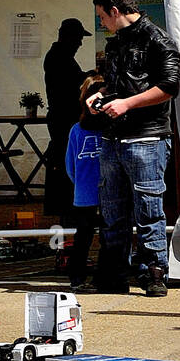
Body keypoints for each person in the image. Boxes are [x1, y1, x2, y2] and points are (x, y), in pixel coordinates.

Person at [84, 0, 180, 296]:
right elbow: (117, 84)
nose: (101, 23)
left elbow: (169, 86)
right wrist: (101, 93)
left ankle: (154, 274)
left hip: (147, 137)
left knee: (148, 207)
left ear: (115, 11)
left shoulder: (157, 38)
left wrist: (126, 103)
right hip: (115, 137)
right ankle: (114, 275)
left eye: (102, 17)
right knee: (112, 209)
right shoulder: (115, 44)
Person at [43, 18, 91, 222]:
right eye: (79, 38)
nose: (80, 43)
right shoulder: (59, 57)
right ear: (69, 37)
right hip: (63, 120)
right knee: (65, 163)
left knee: (66, 161)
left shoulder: (61, 56)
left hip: (63, 119)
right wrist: (88, 78)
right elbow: (70, 87)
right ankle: (66, 210)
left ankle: (68, 208)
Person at [64, 76, 106, 292]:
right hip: (101, 192)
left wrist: (80, 184)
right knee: (106, 236)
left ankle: (77, 278)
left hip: (84, 193)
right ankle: (101, 276)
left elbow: (70, 167)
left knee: (83, 238)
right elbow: (70, 166)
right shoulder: (106, 129)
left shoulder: (76, 130)